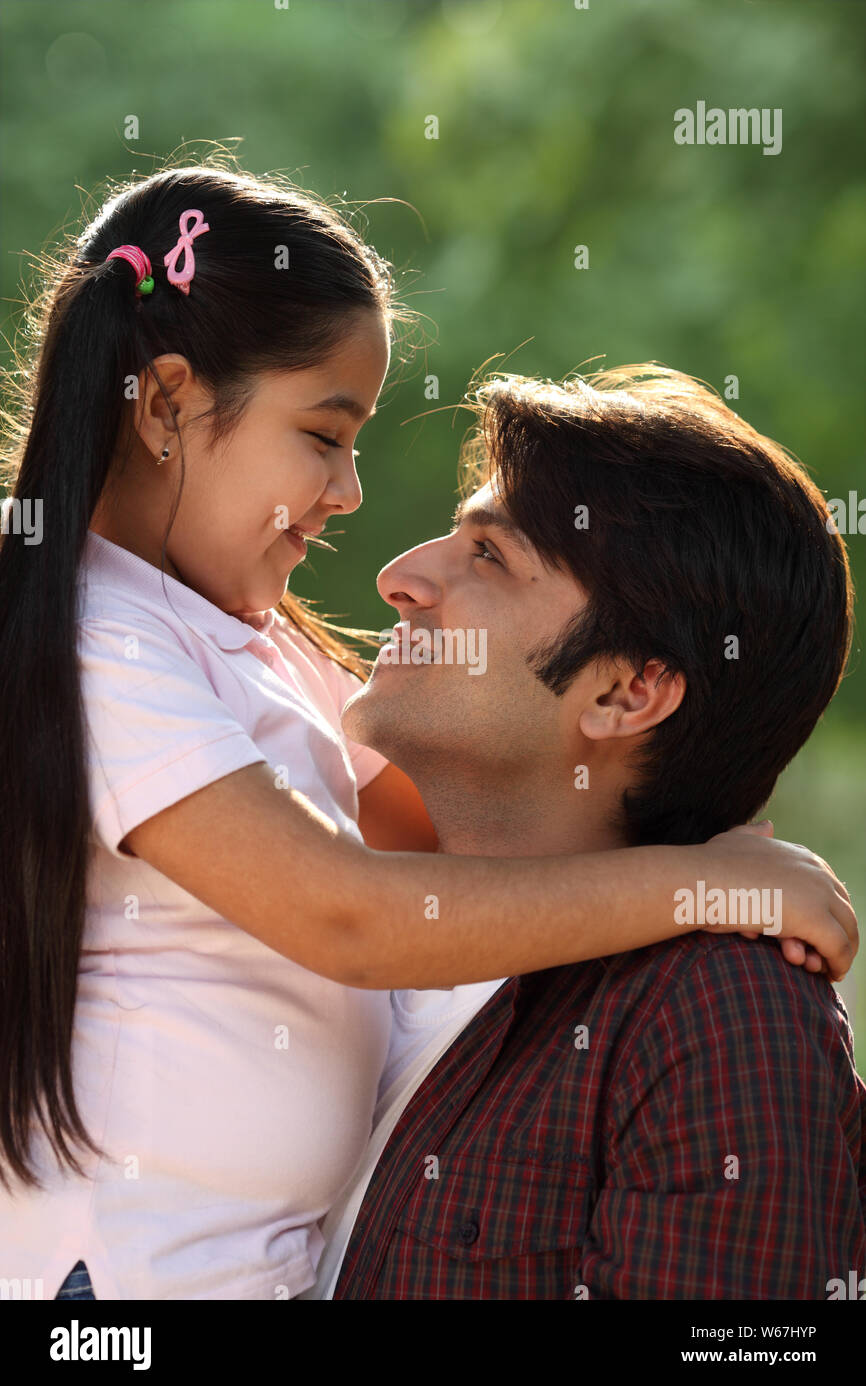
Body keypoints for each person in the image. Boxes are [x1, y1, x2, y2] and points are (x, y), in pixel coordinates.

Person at [0, 160, 855, 1301]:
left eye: (489, 554)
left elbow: (440, 848)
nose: (364, 517)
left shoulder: (246, 644)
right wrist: (713, 886)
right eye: (323, 435)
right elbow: (350, 909)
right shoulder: (97, 646)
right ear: (162, 405)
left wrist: (711, 866)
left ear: (627, 691)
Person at [295, 366, 864, 1300]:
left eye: (490, 557)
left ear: (626, 692)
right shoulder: (320, 910)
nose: (400, 577)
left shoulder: (719, 1012)